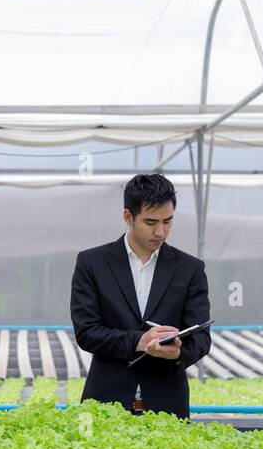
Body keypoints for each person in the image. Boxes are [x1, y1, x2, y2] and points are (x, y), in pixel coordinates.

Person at [69, 173, 211, 418]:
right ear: (128, 217)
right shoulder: (92, 263)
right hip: (105, 400)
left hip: (168, 403)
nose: (160, 231)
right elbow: (87, 332)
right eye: (150, 222)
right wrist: (140, 341)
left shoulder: (191, 269)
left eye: (168, 221)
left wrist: (177, 351)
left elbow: (201, 339)